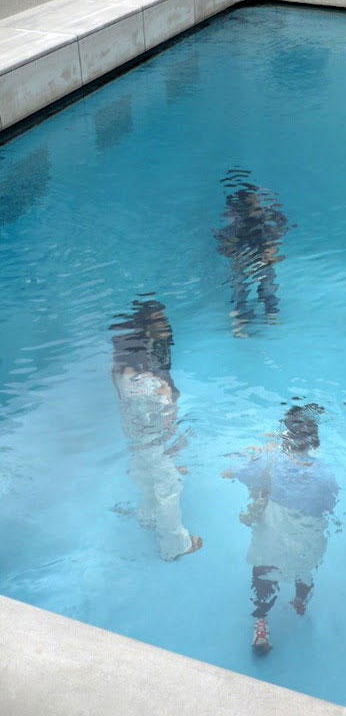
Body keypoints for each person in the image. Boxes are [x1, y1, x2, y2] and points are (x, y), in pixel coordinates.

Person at [223, 404, 338, 654]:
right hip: (309, 532)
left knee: (264, 573)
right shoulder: (325, 473)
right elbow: (329, 504)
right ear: (314, 442)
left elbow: (242, 473)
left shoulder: (271, 460)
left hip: (275, 529)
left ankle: (261, 624)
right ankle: (300, 599)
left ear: (284, 436)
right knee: (304, 567)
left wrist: (233, 467)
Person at [111, 299, 202, 561]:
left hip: (135, 435)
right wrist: (163, 397)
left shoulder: (119, 370)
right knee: (169, 489)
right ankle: (175, 545)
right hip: (153, 438)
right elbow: (161, 412)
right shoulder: (146, 381)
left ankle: (147, 517)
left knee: (143, 473)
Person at [214, 180, 288, 337]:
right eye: (255, 207)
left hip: (260, 259)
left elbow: (273, 240)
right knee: (239, 289)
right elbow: (224, 245)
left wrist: (271, 252)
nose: (260, 209)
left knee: (268, 286)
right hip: (241, 262)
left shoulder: (263, 225)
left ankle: (271, 312)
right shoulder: (236, 227)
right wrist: (233, 254)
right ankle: (240, 320)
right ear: (243, 211)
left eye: (259, 206)